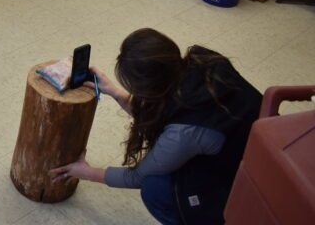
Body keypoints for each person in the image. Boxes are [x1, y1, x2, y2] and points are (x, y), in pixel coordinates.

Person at [50, 28, 262, 225]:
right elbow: (160, 115)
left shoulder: (182, 134)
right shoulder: (202, 60)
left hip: (243, 180)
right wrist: (114, 92)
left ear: (149, 87)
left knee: (155, 189)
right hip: (255, 144)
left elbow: (137, 177)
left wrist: (86, 172)